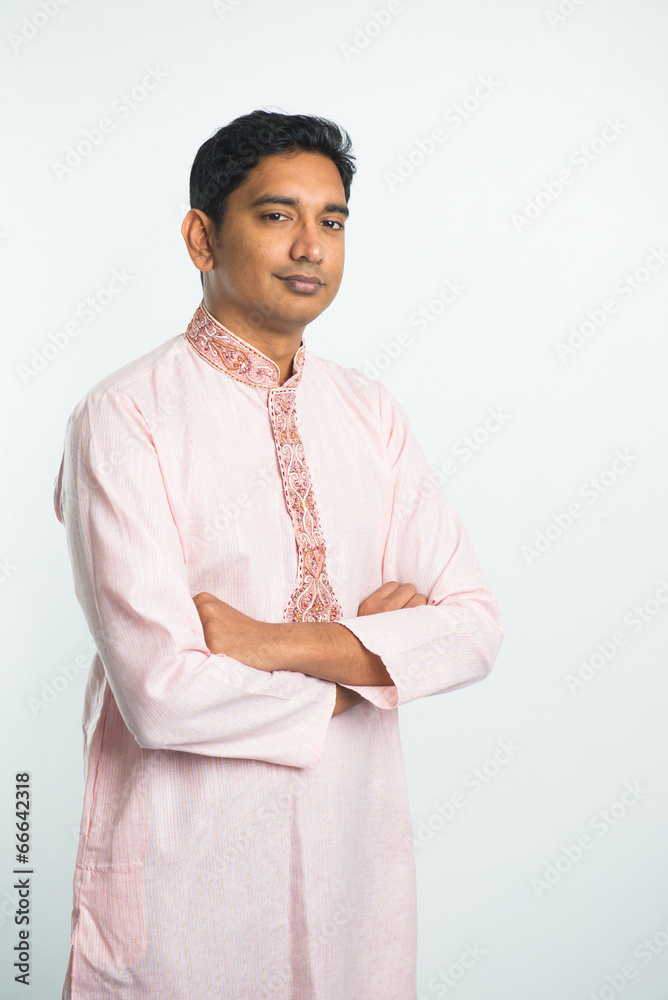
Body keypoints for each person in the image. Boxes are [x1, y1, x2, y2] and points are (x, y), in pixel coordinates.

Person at [54, 109, 504, 1000]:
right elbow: (163, 694)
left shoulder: (368, 413)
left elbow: (474, 629)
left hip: (355, 870)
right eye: (276, 215)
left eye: (332, 221)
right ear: (200, 235)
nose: (311, 246)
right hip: (187, 874)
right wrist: (371, 664)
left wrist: (273, 642)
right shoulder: (125, 417)